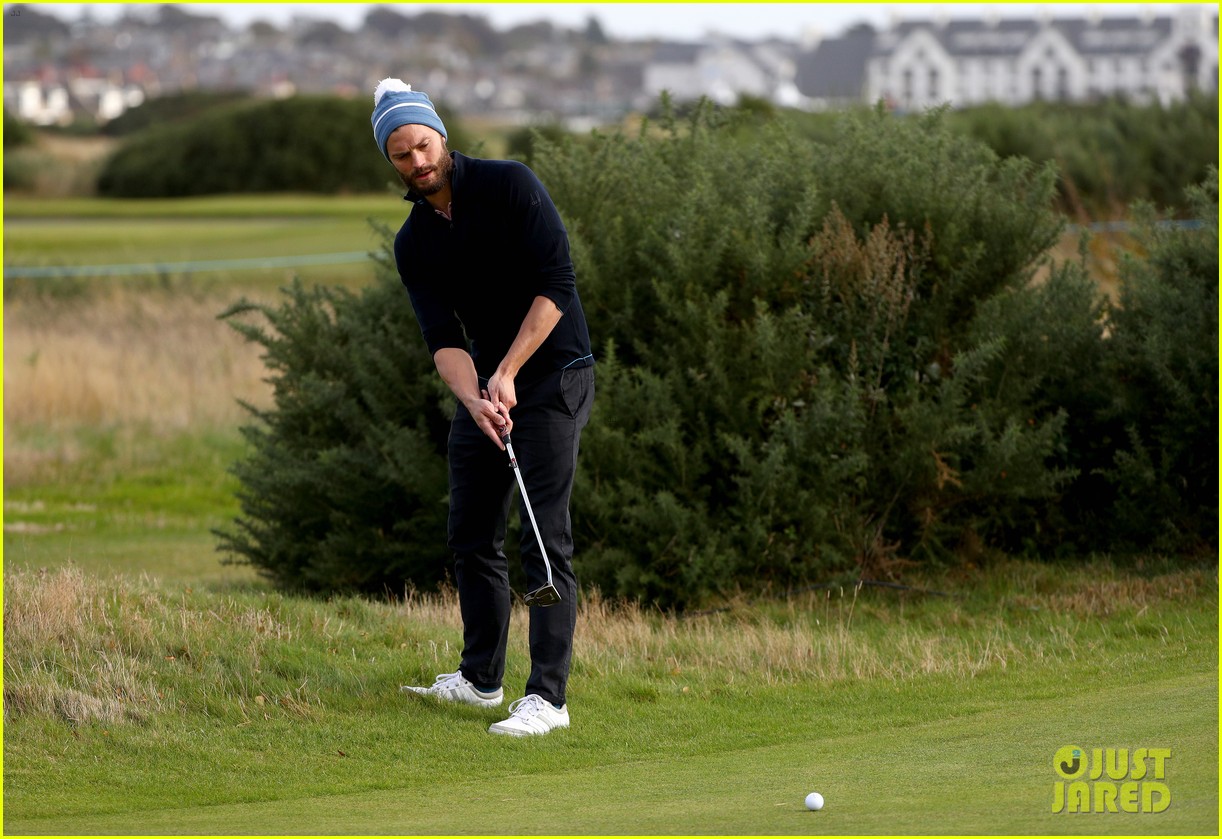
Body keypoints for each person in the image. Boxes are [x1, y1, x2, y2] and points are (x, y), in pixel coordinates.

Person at [371, 79, 594, 737]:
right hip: (490, 386)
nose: (417, 161)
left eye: (422, 144)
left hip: (555, 375)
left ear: (441, 136)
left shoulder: (509, 184)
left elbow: (557, 286)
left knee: (542, 534)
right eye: (401, 154)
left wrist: (508, 372)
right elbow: (442, 338)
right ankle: (479, 680)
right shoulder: (414, 243)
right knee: (471, 531)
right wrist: (475, 396)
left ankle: (548, 698)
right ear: (391, 162)